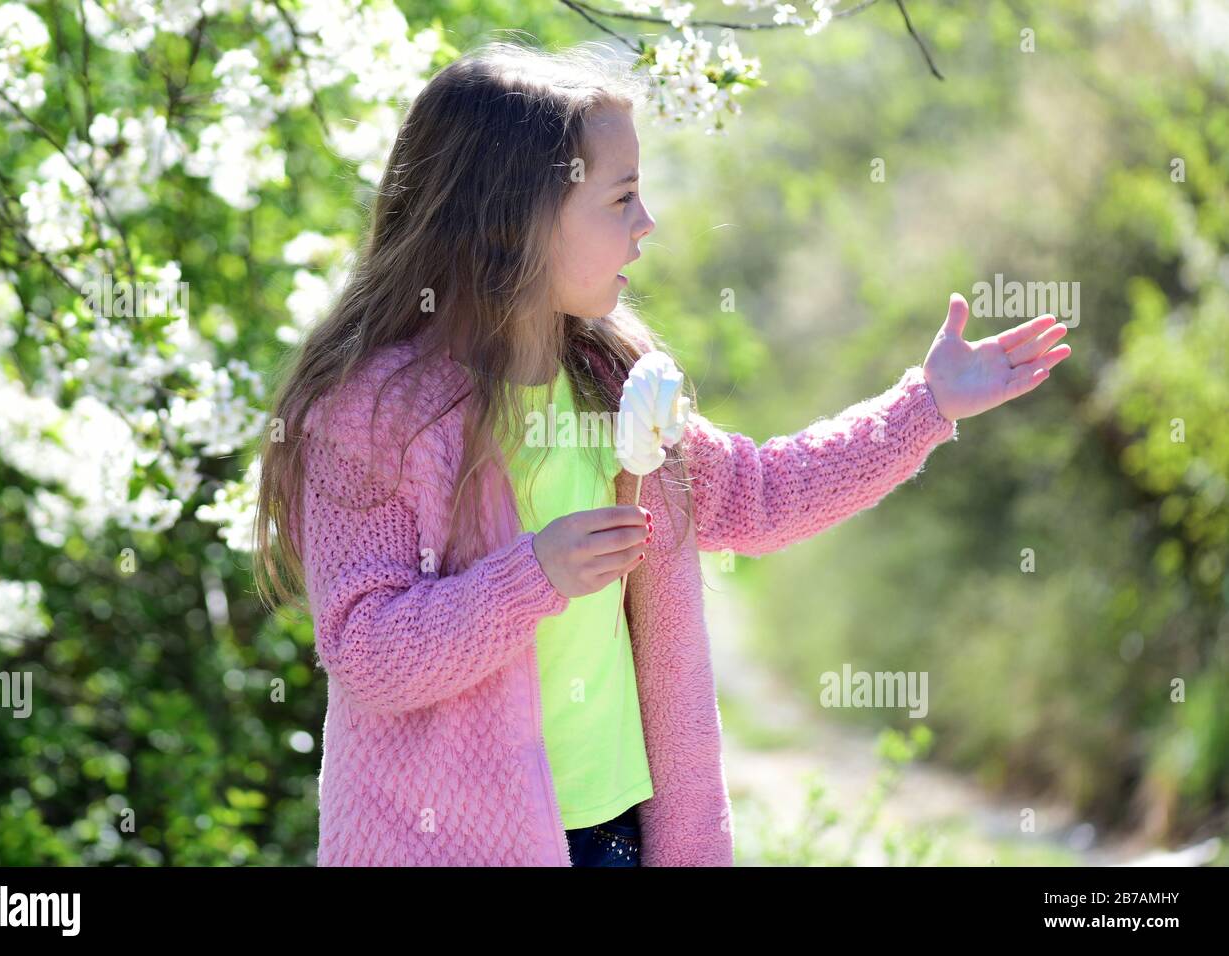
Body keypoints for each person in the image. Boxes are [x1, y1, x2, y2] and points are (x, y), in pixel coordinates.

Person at [251, 41, 1071, 867]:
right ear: (514, 219)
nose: (647, 224)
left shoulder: (614, 380)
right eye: (623, 197)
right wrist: (534, 574)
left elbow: (759, 495)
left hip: (621, 837)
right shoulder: (378, 413)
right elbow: (367, 653)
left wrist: (924, 406)